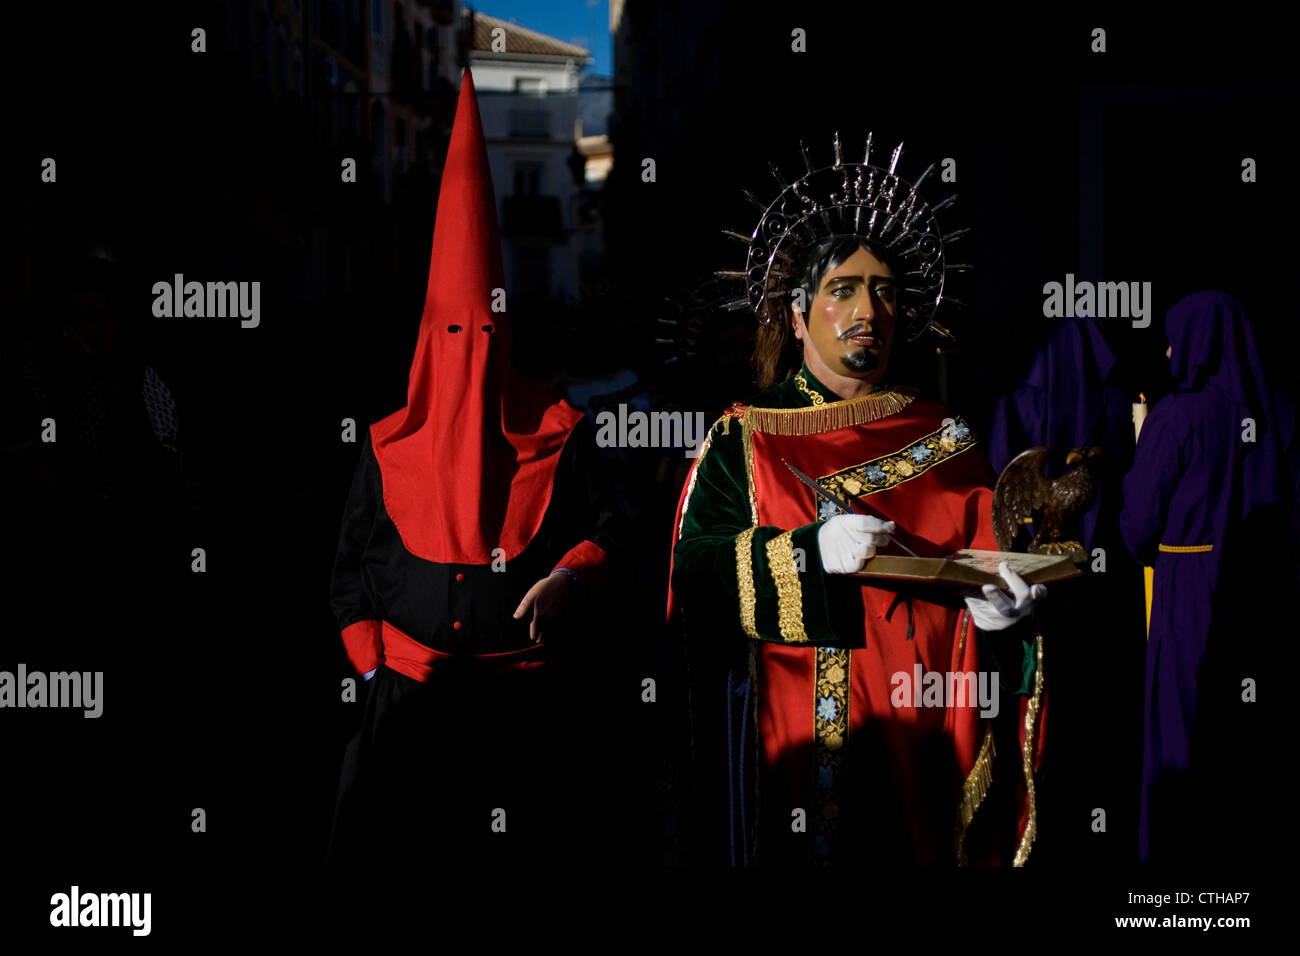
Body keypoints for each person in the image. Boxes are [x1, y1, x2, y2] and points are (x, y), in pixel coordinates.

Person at [668, 137, 1048, 867]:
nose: (867, 308)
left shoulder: (945, 432)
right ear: (798, 312)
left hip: (929, 739)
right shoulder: (745, 439)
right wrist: (810, 555)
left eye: (884, 290)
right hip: (808, 752)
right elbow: (695, 573)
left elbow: (990, 558)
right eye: (843, 289)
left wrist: (1002, 619)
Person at [327, 71, 621, 871]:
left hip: (521, 720)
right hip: (406, 715)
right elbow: (349, 569)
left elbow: (611, 528)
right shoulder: (386, 445)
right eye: (451, 335)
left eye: (482, 335)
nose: (468, 353)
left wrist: (572, 575)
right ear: (427, 345)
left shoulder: (562, 433)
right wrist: (370, 666)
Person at [1120, 291, 1295, 866]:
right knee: (1237, 727)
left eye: (1174, 338)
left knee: (1177, 719)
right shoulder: (1268, 411)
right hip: (1253, 583)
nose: (1168, 349)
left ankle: (1172, 868)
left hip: (1189, 578)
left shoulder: (1177, 415)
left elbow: (1139, 522)